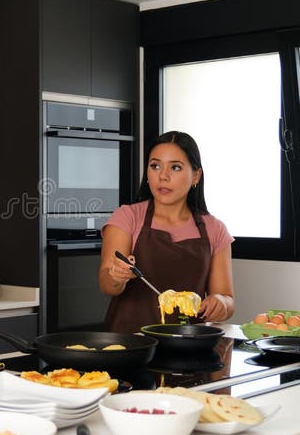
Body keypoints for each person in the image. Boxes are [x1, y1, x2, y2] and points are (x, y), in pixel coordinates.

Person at [98, 131, 234, 333]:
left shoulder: (215, 229)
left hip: (189, 345)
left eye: (175, 167)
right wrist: (117, 276)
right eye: (155, 166)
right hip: (131, 344)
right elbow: (107, 284)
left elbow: (227, 300)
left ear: (196, 175)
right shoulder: (127, 217)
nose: (163, 176)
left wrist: (221, 303)